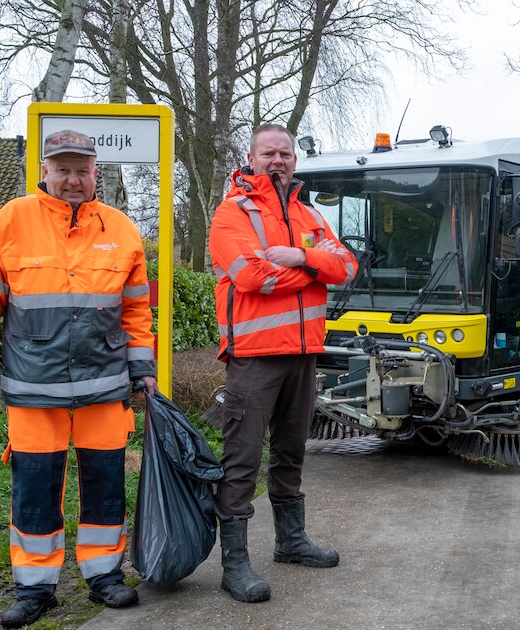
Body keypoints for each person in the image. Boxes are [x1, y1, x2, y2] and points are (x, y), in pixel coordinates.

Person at [0, 129, 156, 627]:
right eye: (62, 169)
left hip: (104, 385)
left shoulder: (123, 228)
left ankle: (105, 576)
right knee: (34, 485)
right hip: (33, 387)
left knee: (105, 482)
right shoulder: (10, 220)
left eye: (82, 169)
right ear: (44, 171)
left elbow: (136, 313)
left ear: (96, 173)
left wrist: (143, 370)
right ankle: (34, 588)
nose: (73, 179)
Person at [208, 123, 357, 603]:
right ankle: (235, 565)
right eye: (268, 153)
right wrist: (315, 268)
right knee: (242, 460)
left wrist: (298, 254)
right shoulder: (232, 214)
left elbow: (349, 267)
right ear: (250, 158)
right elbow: (253, 278)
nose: (278, 160)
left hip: (302, 354)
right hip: (253, 359)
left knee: (292, 452)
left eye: (285, 153)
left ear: (295, 159)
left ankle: (290, 542)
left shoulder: (308, 213)